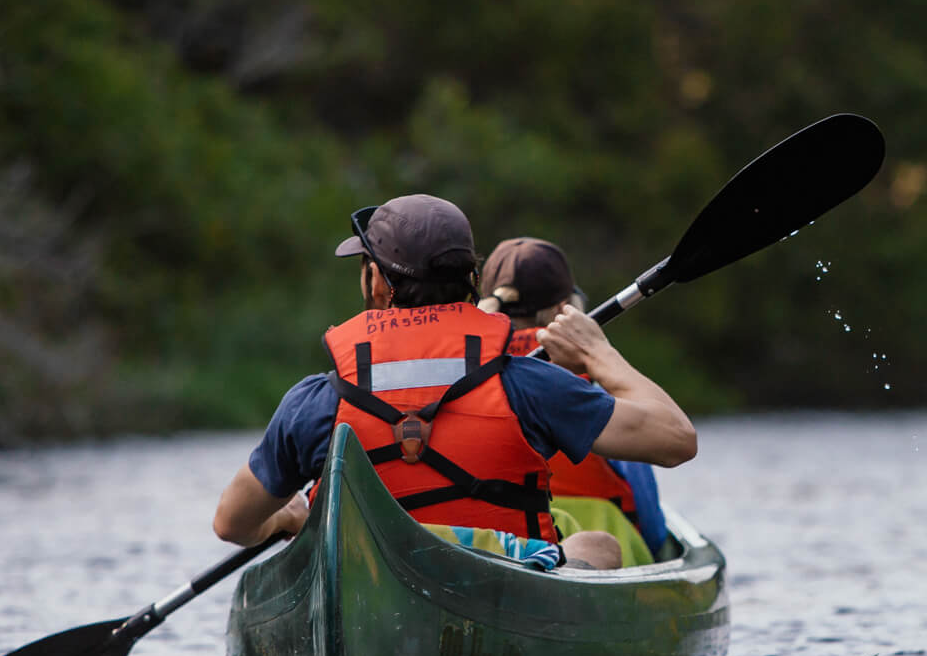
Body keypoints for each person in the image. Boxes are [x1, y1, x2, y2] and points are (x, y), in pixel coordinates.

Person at [212, 195, 697, 571]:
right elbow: (676, 440)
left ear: (378, 282)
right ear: (470, 278)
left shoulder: (318, 400)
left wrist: (288, 518)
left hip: (364, 567)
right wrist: (598, 352)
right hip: (503, 576)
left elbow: (231, 523)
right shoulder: (527, 383)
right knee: (597, 546)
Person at [479, 236, 670, 563]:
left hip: (500, 550)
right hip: (603, 553)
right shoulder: (593, 399)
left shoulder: (468, 385)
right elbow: (652, 528)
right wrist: (601, 355)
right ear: (564, 310)